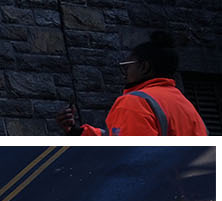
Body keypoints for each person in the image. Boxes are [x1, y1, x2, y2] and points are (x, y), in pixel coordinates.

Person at [56, 31, 207, 136]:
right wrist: (76, 132)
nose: (126, 72)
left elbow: (129, 158)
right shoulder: (186, 106)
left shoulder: (135, 103)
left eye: (128, 65)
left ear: (144, 67)